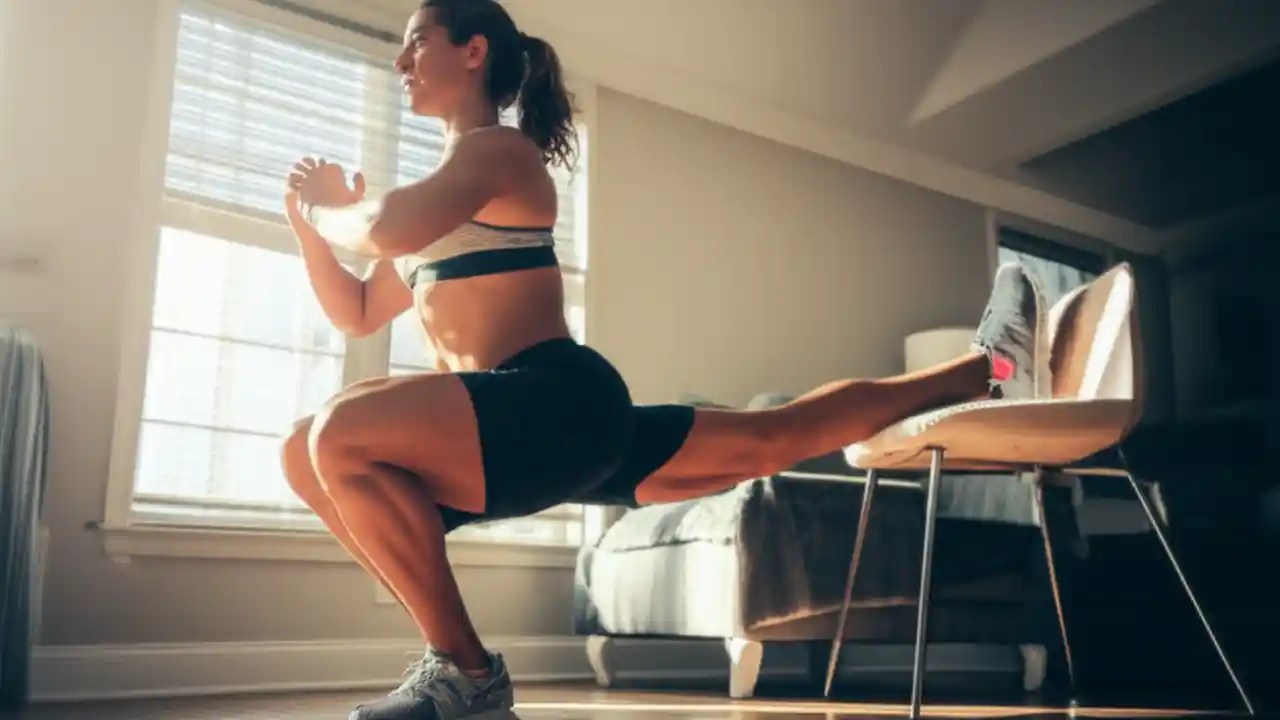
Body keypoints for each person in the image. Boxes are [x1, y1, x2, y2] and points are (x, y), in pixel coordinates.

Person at [279, 1, 1049, 718]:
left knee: (339, 429)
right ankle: (985, 370)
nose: (400, 61)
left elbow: (381, 227)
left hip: (559, 404)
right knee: (771, 436)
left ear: (474, 51)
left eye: (418, 42)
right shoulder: (434, 201)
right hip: (516, 444)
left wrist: (324, 203)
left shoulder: (498, 154)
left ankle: (467, 673)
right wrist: (308, 227)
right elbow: (353, 309)